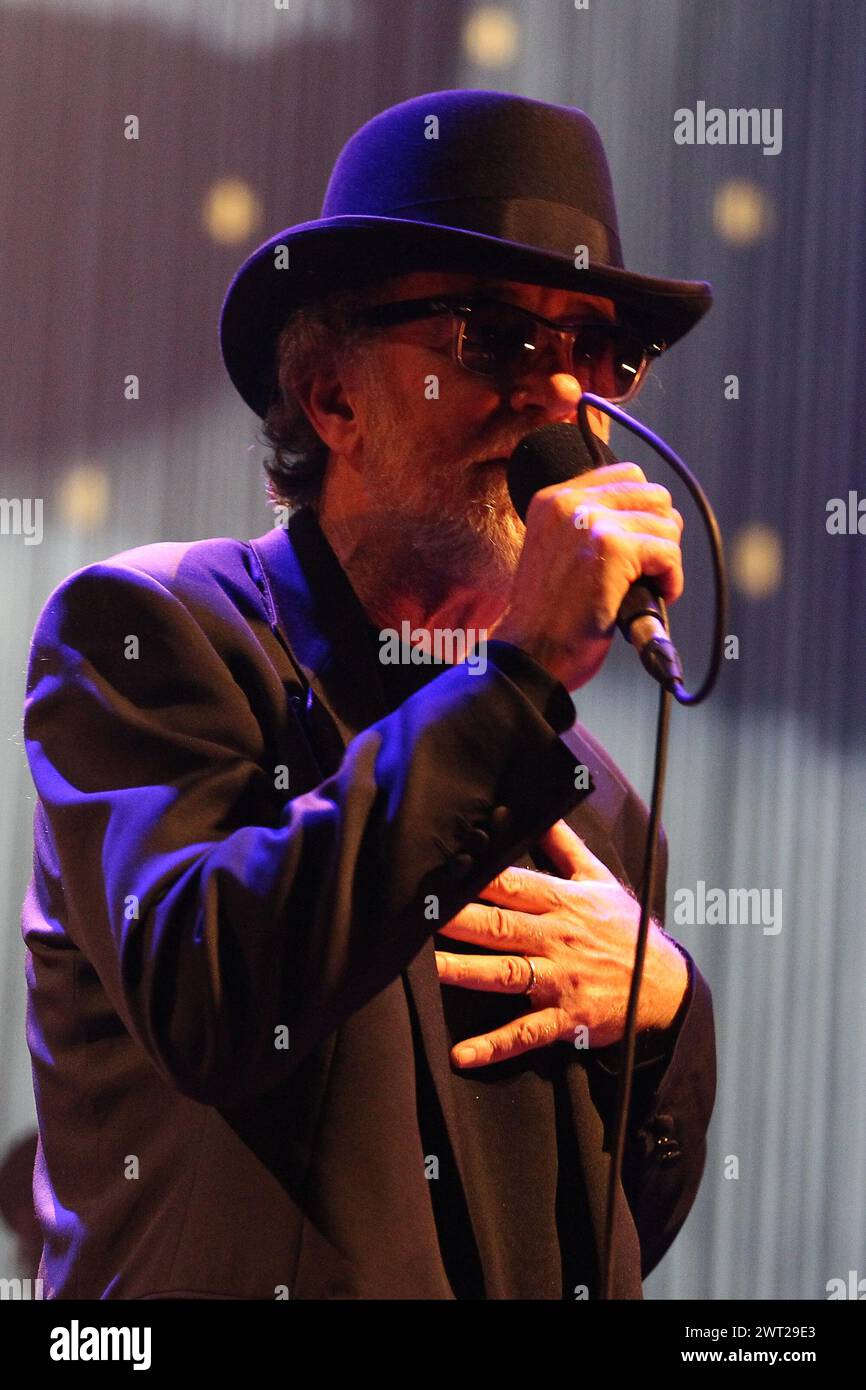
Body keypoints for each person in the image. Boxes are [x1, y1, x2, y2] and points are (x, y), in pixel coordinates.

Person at [21, 89, 716, 1300]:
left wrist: (664, 1014)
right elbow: (210, 999)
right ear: (333, 395)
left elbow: (609, 1233)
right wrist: (518, 685)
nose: (563, 398)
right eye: (494, 337)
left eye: (596, 352)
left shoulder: (588, 798)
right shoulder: (152, 635)